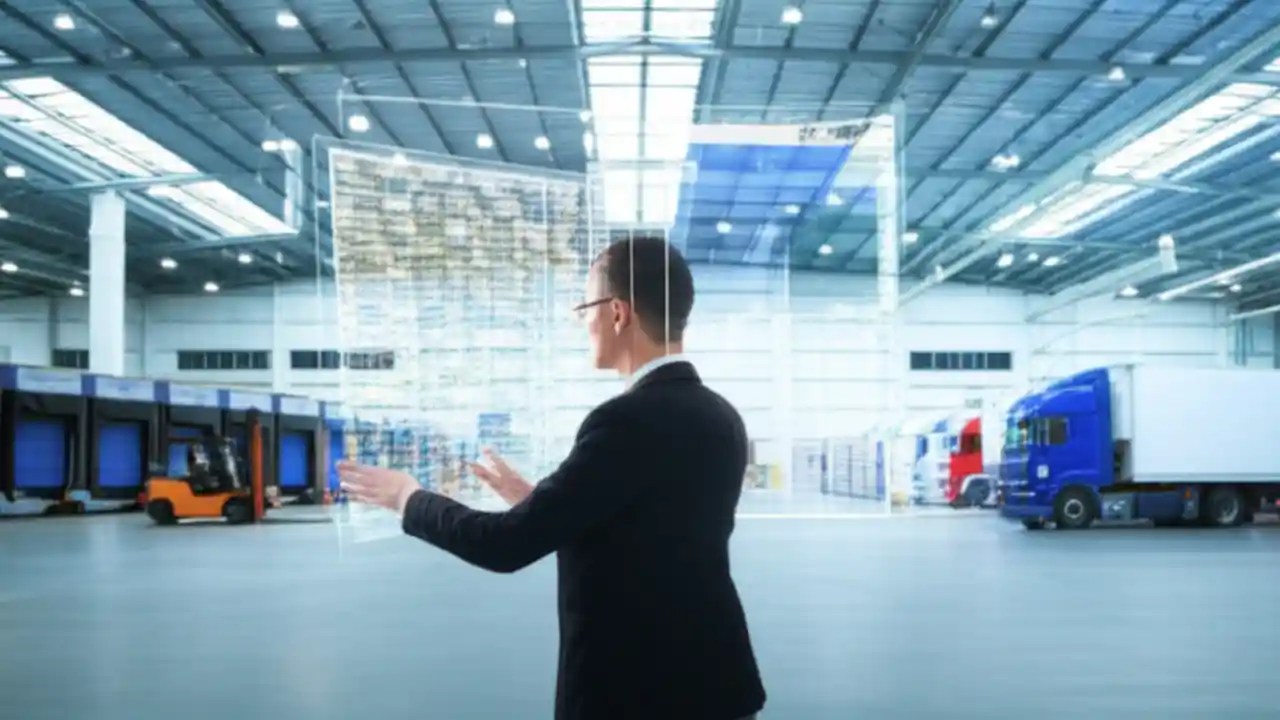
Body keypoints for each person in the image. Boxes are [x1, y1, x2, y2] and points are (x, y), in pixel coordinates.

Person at [339, 236, 767, 720]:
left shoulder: (625, 419)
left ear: (618, 313)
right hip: (717, 681)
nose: (584, 320)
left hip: (638, 692)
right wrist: (541, 501)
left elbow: (504, 546)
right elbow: (655, 527)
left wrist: (408, 498)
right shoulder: (721, 415)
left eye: (585, 305)